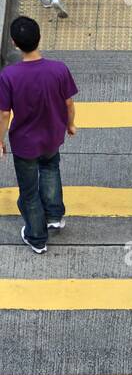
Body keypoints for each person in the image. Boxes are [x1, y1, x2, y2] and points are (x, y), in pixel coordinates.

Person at [0, 15, 77, 254]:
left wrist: (0, 140)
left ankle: (36, 236)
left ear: (14, 43)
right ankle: (54, 215)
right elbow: (69, 104)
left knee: (29, 191)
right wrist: (70, 125)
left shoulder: (9, 77)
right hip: (52, 136)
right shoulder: (59, 69)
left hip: (25, 144)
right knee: (51, 169)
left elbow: (4, 114)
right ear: (40, 37)